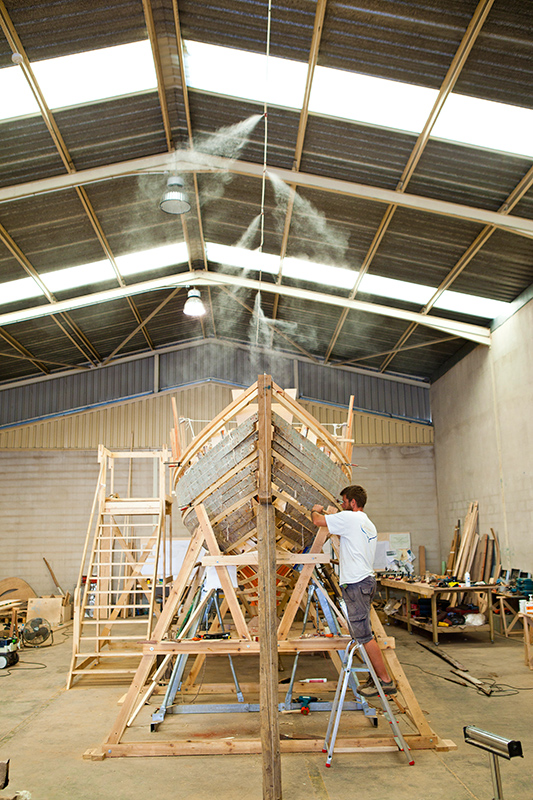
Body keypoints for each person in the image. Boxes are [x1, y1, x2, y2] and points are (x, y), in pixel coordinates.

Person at [311, 485, 396, 697]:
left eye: (344, 502)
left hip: (357, 583)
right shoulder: (368, 524)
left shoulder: (351, 519)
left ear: (353, 503)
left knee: (364, 636)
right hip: (364, 580)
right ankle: (377, 677)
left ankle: (385, 681)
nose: (341, 506)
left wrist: (315, 509)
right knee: (363, 633)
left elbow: (317, 521)